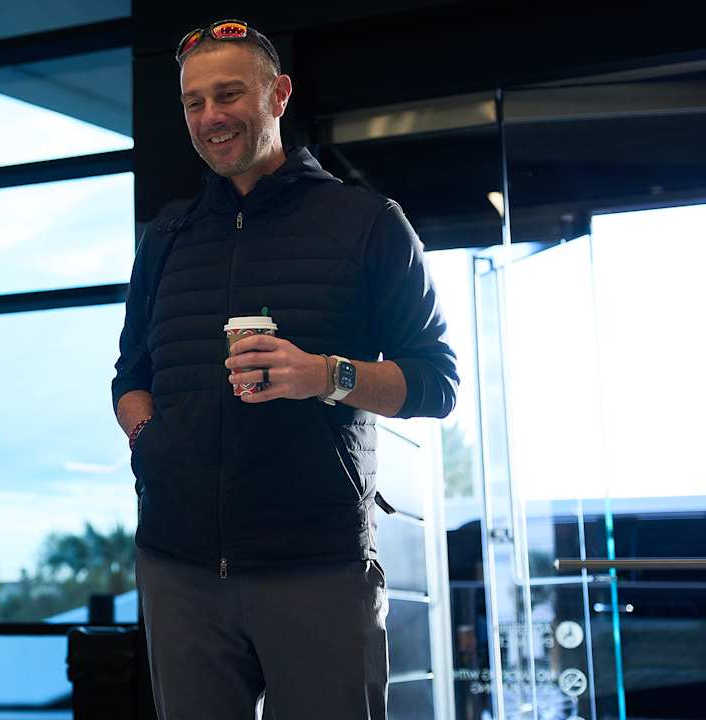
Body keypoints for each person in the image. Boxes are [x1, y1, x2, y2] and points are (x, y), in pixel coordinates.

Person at [111, 19, 458, 720]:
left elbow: (437, 382)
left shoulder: (367, 223)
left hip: (319, 567)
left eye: (229, 94)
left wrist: (325, 376)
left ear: (279, 95)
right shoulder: (168, 237)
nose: (210, 116)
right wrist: (149, 442)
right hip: (179, 568)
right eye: (194, 102)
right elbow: (131, 375)